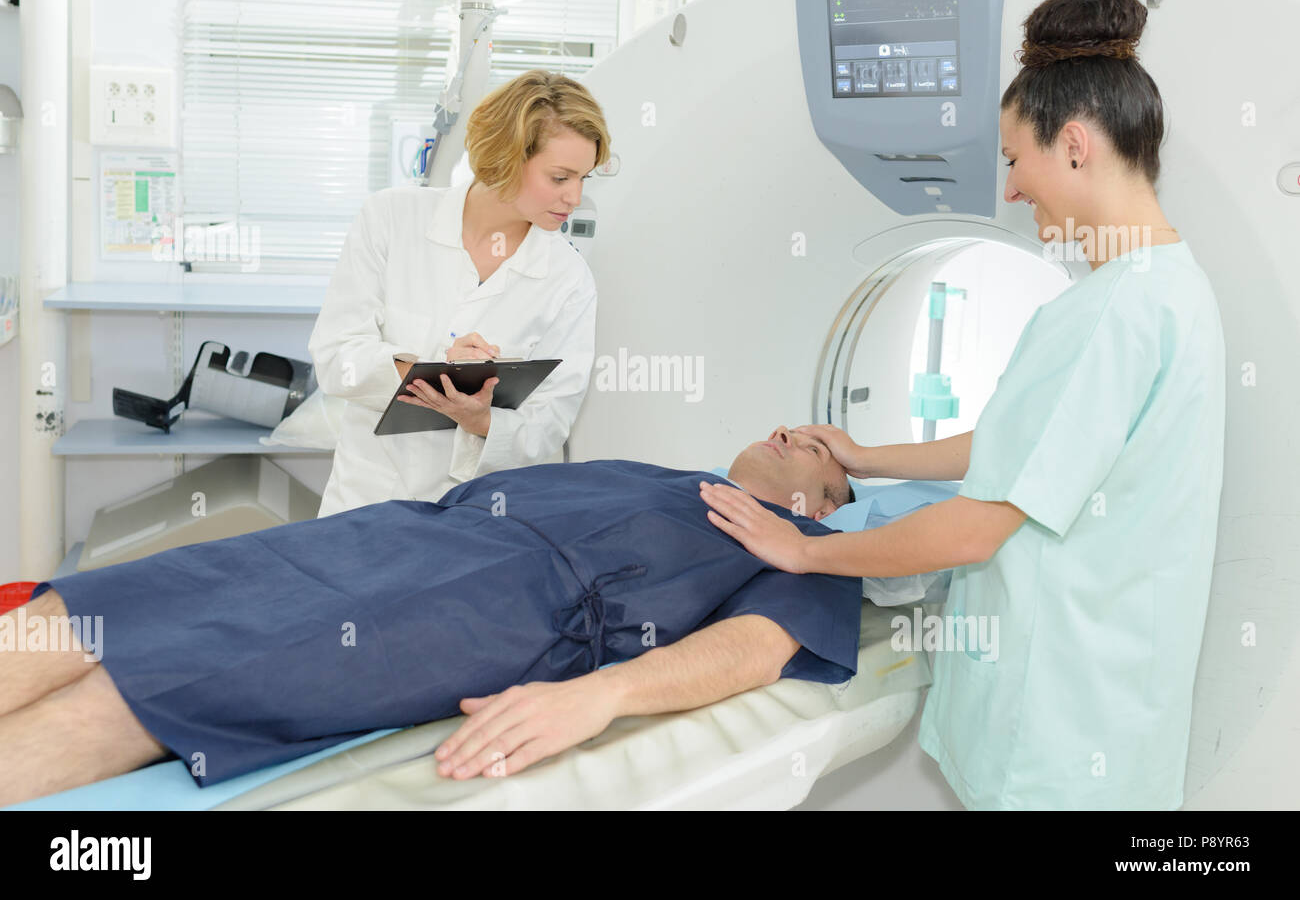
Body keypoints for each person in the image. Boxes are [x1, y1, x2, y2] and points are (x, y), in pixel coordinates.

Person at [700, 0, 1226, 810]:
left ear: (1076, 146)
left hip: (1056, 724)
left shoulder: (1109, 314)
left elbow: (977, 526)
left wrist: (805, 549)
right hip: (1106, 708)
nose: (1011, 190)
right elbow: (1018, 445)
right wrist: (864, 455)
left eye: (1016, 158)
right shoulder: (1166, 288)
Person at [0, 427, 858, 806]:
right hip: (399, 532)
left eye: (819, 450)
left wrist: (603, 695)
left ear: (825, 502)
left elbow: (755, 648)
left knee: (171, 680)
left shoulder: (807, 549)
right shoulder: (672, 476)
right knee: (107, 601)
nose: (792, 433)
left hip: (481, 609)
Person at [308, 70, 611, 517]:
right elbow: (337, 358)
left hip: (479, 514)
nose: (575, 197)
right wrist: (432, 370)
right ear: (508, 157)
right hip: (366, 498)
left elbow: (550, 423)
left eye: (583, 178)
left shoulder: (568, 278)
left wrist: (480, 418)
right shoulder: (392, 219)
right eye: (561, 177)